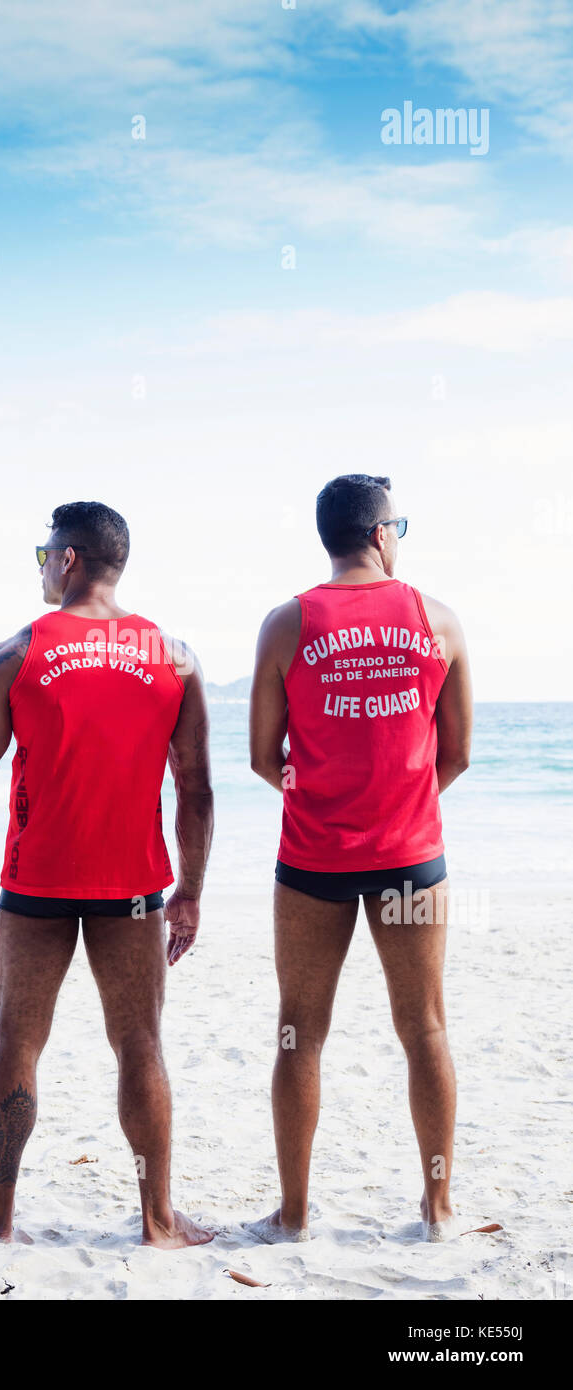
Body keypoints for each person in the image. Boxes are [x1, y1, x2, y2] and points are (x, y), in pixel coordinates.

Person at [0, 500, 214, 1248]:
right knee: (141, 1044)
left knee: (17, 1040)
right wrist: (188, 892)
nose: (42, 567)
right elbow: (197, 789)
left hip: (37, 885)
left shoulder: (16, 653)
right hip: (132, 888)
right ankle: (157, 1222)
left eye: (43, 555)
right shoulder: (175, 657)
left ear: (69, 560)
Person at [248, 473, 482, 1243]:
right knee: (426, 1030)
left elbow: (260, 756)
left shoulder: (287, 624)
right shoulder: (438, 619)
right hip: (412, 856)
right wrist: (398, 799)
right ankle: (440, 1209)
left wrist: (325, 794)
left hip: (313, 861)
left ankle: (294, 1215)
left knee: (299, 1032)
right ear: (382, 534)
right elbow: (458, 755)